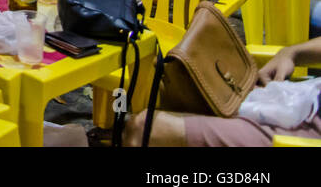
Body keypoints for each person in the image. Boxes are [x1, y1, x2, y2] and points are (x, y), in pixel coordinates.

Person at [119, 36, 321, 147]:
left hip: (305, 132)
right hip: (301, 100)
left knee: (144, 128)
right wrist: (291, 53)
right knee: (173, 89)